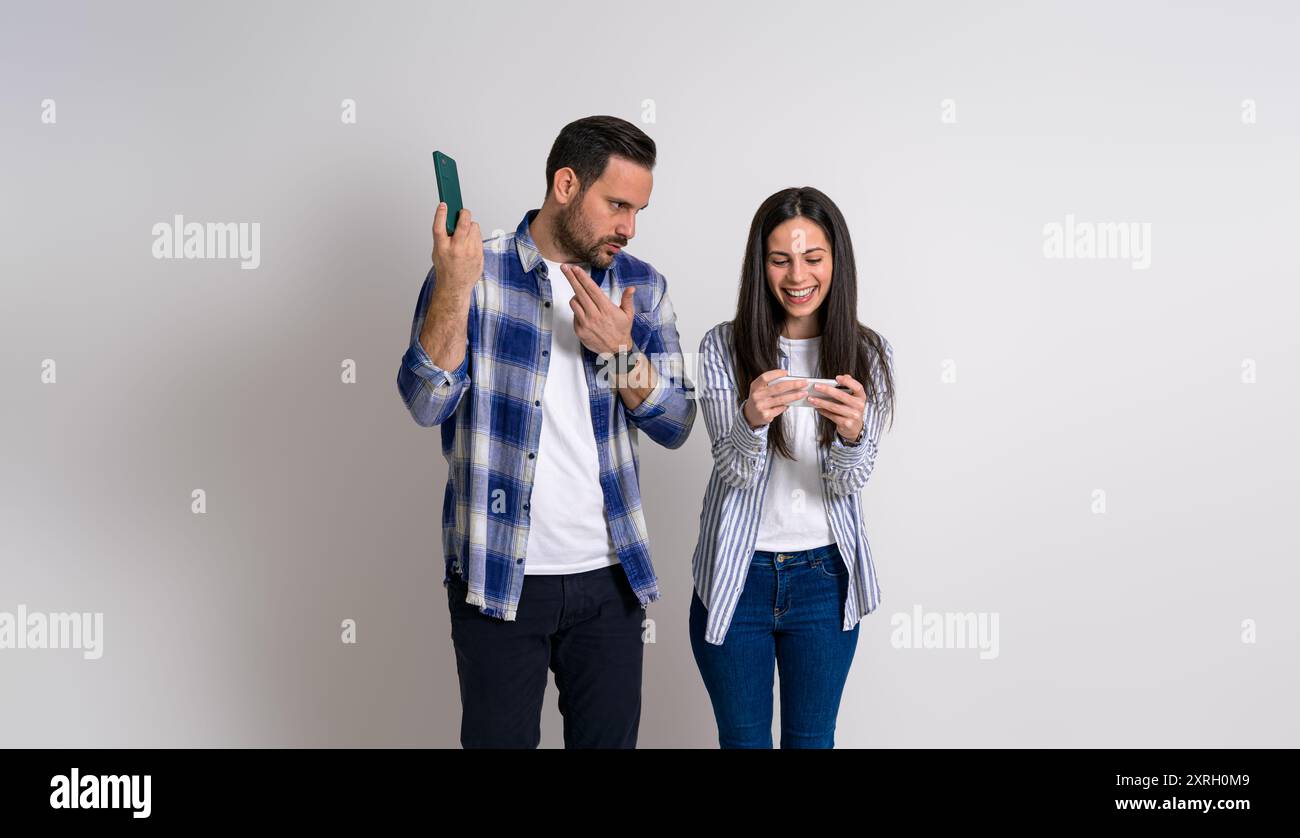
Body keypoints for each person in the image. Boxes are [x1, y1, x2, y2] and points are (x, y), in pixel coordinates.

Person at [397, 115, 696, 748]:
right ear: (566, 183)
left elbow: (677, 423)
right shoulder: (475, 273)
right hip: (499, 573)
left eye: (638, 210)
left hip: (611, 580)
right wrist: (453, 289)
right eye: (617, 204)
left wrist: (620, 354)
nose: (629, 227)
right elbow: (426, 403)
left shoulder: (642, 285)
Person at [690, 186, 896, 748]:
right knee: (743, 741)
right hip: (739, 578)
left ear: (836, 261)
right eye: (780, 259)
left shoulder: (868, 354)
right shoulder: (721, 348)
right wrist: (750, 421)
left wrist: (853, 435)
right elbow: (733, 471)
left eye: (813, 258)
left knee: (812, 741)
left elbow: (850, 483)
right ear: (761, 266)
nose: (796, 275)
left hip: (825, 581)